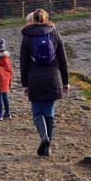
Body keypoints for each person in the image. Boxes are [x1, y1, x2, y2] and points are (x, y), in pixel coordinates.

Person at [20, 9, 69, 156]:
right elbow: (63, 59)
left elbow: (23, 63)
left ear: (33, 19)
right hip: (52, 77)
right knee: (49, 111)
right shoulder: (53, 33)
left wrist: (25, 84)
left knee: (37, 112)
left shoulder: (27, 36)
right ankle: (47, 147)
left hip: (34, 78)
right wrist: (66, 82)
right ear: (46, 18)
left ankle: (44, 137)